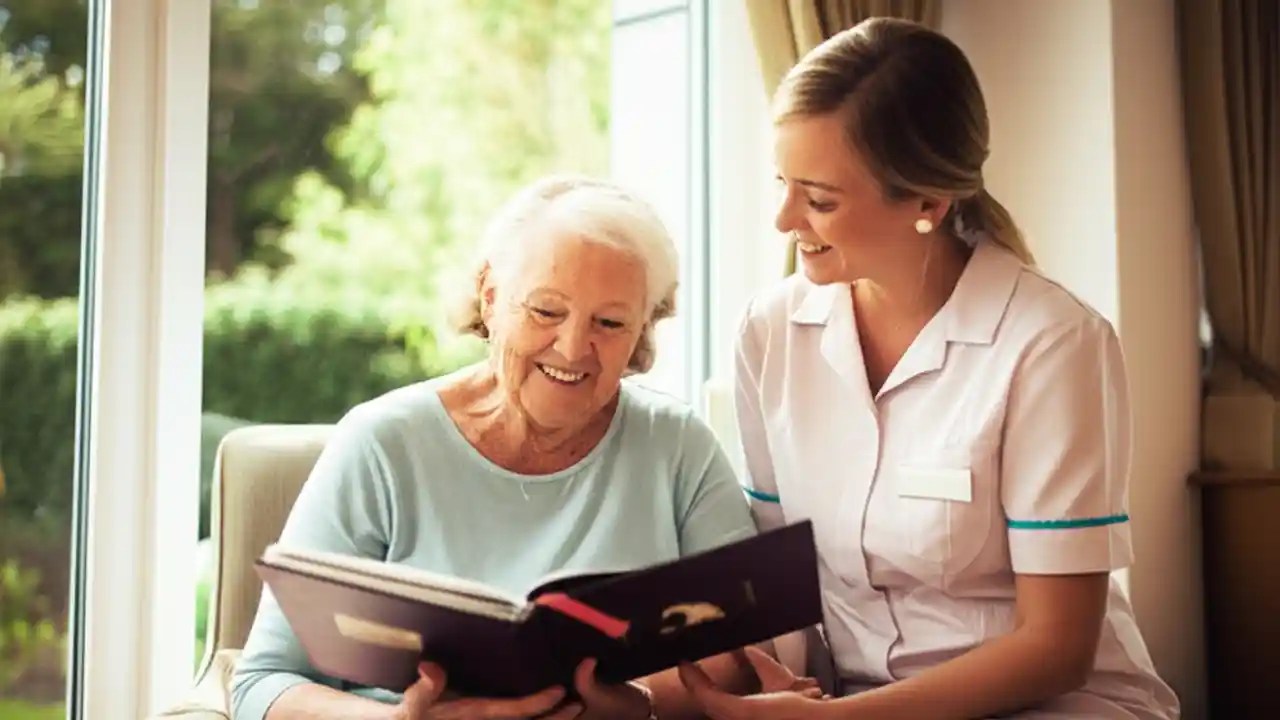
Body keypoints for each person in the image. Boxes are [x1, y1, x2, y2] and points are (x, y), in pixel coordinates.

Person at [678, 17, 1181, 720]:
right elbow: (780, 584)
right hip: (848, 700)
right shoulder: (770, 333)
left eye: (819, 199)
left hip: (1058, 705)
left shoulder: (1050, 343)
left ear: (928, 203)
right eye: (782, 184)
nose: (784, 218)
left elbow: (1058, 648)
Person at [229, 175, 816, 720]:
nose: (572, 346)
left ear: (643, 330)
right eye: (546, 310)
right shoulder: (382, 443)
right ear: (489, 296)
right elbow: (264, 682)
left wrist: (624, 706)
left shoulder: (678, 445)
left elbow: (741, 662)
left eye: (610, 323)